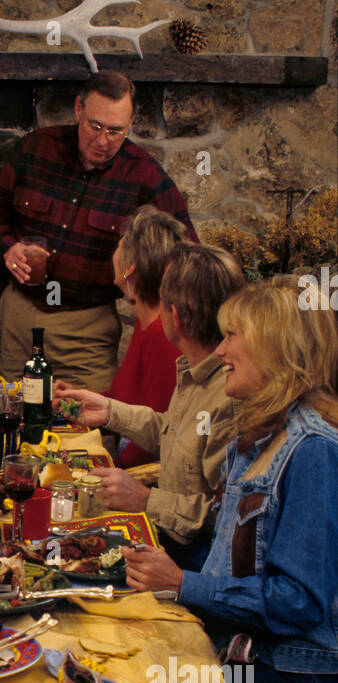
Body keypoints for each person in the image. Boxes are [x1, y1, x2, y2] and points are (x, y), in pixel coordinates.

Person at [124, 276, 338, 683]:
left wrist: (182, 584)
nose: (220, 351)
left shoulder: (313, 451)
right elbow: (228, 563)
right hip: (243, 655)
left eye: (232, 336)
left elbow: (299, 601)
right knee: (115, 667)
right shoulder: (260, 435)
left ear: (277, 349)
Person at [0, 70, 197, 386]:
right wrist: (8, 247)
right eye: (94, 126)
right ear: (79, 108)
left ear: (132, 121)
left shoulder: (145, 177)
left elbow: (187, 253)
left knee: (89, 425)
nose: (102, 140)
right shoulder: (37, 147)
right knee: (11, 413)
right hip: (18, 317)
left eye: (115, 130)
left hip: (86, 332)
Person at [55, 244, 245, 570]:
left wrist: (145, 499)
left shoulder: (228, 394)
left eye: (160, 301)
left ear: (175, 317)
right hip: (166, 540)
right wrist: (111, 411)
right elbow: (173, 433)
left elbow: (224, 517)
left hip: (190, 562)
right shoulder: (195, 369)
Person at [105, 206, 189, 467]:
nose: (113, 253)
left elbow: (157, 439)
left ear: (129, 269)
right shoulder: (146, 323)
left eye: (119, 246)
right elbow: (126, 398)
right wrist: (78, 398)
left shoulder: (162, 337)